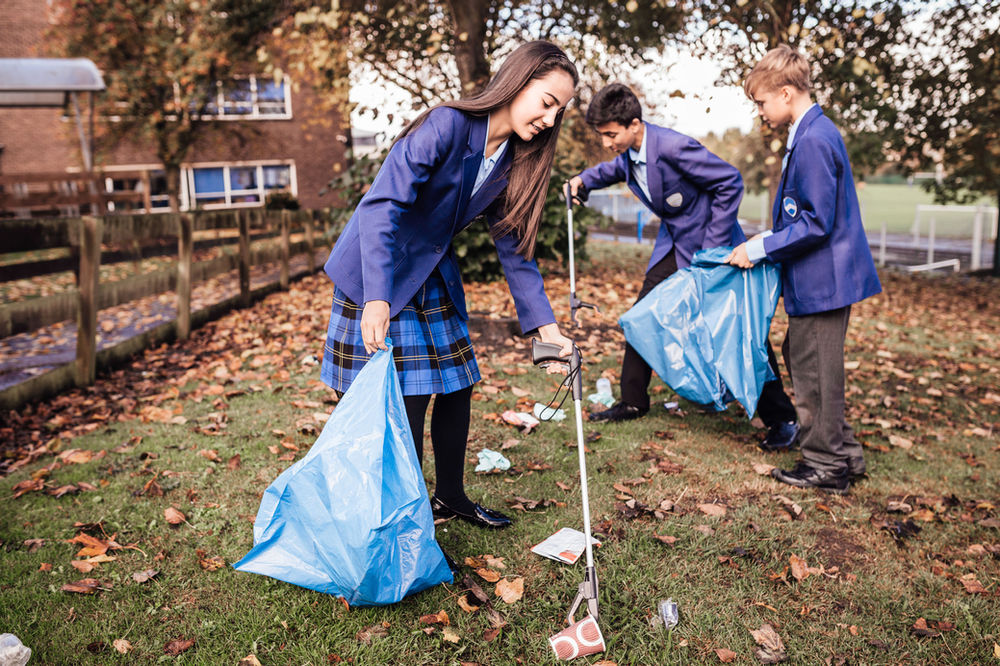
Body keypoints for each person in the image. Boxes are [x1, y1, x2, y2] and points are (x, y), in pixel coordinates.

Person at [320, 41, 577, 529]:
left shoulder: (512, 160)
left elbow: (514, 248)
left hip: (430, 269)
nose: (550, 118)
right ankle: (406, 518)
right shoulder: (447, 124)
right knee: (409, 398)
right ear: (518, 81)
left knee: (459, 385)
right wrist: (376, 298)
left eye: (558, 111)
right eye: (547, 102)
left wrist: (545, 328)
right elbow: (382, 207)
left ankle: (452, 497)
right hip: (376, 267)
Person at [567, 83, 799, 451]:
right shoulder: (631, 152)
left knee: (738, 330)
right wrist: (583, 180)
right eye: (602, 136)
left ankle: (783, 418)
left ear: (634, 124)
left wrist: (711, 251)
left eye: (611, 135)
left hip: (713, 250)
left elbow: (729, 181)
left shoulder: (674, 147)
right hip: (674, 247)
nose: (607, 143)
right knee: (643, 314)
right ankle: (632, 400)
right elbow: (615, 169)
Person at [726, 44, 881, 494]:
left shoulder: (813, 138)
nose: (760, 111)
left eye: (761, 102)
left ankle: (826, 466)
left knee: (813, 370)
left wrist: (760, 247)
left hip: (824, 280)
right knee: (805, 359)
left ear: (787, 92)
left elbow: (815, 221)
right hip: (822, 279)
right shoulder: (811, 132)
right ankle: (844, 452)